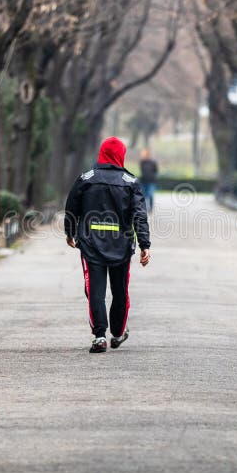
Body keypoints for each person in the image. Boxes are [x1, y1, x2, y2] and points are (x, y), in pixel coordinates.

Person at [65, 137, 151, 353]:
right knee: (120, 291)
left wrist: (70, 232)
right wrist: (144, 245)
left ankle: (100, 336)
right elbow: (140, 216)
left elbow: (71, 208)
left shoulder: (86, 178)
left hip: (90, 244)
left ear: (101, 153)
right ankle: (118, 333)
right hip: (121, 247)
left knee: (95, 290)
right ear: (121, 155)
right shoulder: (131, 182)